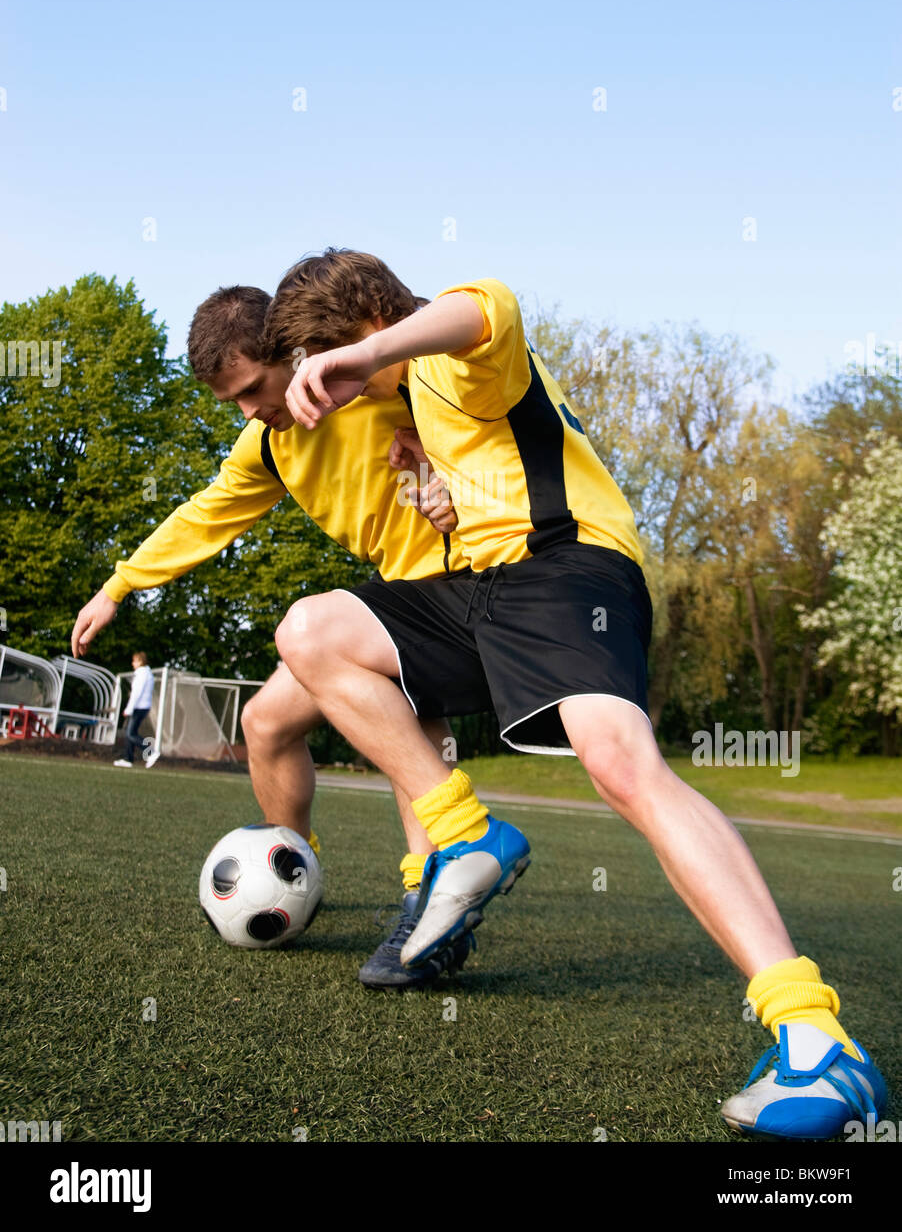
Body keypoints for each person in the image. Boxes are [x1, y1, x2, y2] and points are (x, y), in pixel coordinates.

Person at [262, 249, 887, 1141]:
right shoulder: (425, 405)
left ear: (364, 331)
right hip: (489, 593)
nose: (352, 397)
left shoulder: (451, 349)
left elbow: (483, 305)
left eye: (345, 367)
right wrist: (437, 488)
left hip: (570, 570)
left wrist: (369, 361)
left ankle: (815, 1038)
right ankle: (465, 831)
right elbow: (477, 478)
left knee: (625, 768)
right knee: (312, 633)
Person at [70, 284, 482, 990]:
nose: (248, 411)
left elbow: (473, 395)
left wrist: (446, 482)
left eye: (253, 388)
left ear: (300, 352)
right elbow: (205, 514)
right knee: (264, 724)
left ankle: (431, 904)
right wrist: (119, 585)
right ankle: (294, 868)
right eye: (231, 401)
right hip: (396, 596)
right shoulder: (269, 443)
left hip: (469, 591)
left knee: (407, 703)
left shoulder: (383, 383)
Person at [114, 651, 159, 768]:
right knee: (130, 733)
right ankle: (128, 759)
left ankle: (151, 752)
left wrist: (129, 709)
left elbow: (136, 693)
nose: (132, 663)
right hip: (142, 707)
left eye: (134, 661)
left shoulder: (142, 674)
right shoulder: (147, 674)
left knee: (130, 734)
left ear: (140, 661)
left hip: (139, 707)